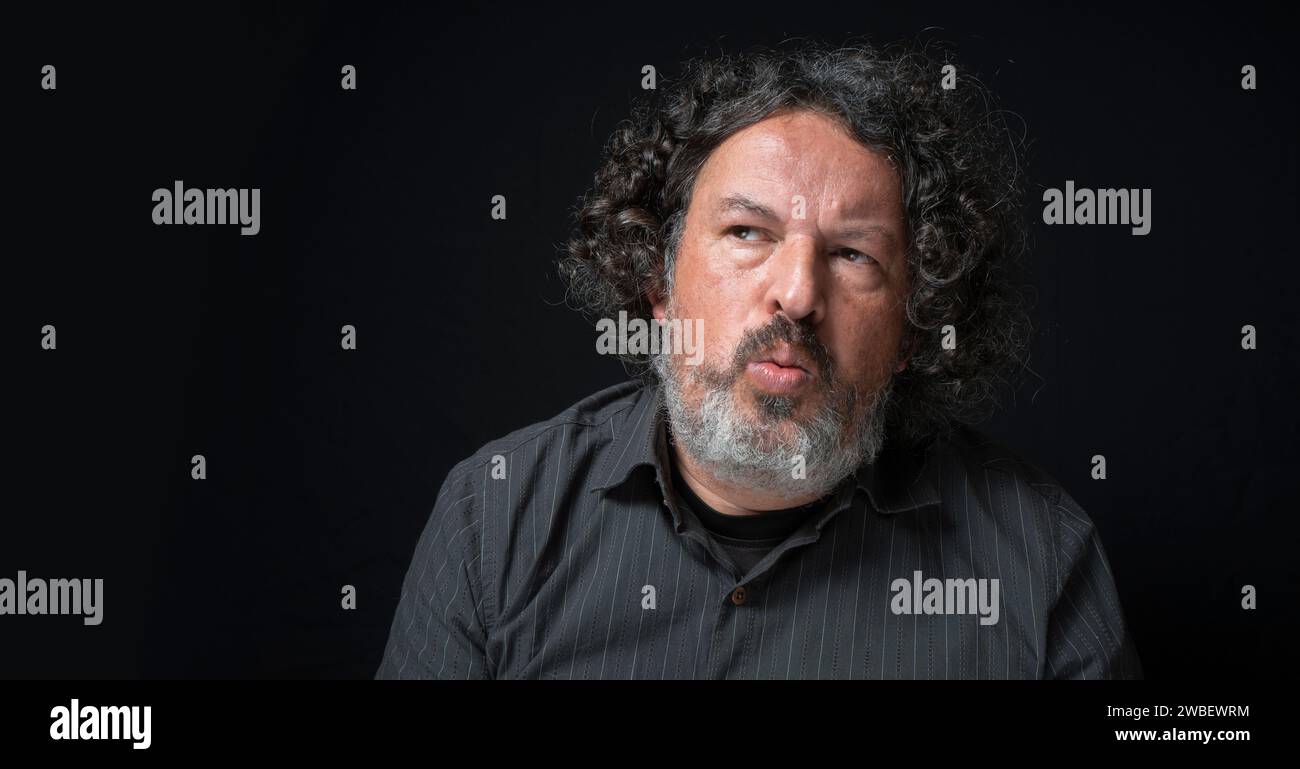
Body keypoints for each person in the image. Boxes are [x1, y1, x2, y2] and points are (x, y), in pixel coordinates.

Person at [376, 41, 1142, 679]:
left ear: (916, 325)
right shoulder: (495, 516)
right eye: (747, 232)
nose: (798, 293)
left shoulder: (1038, 554)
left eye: (852, 254)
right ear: (658, 281)